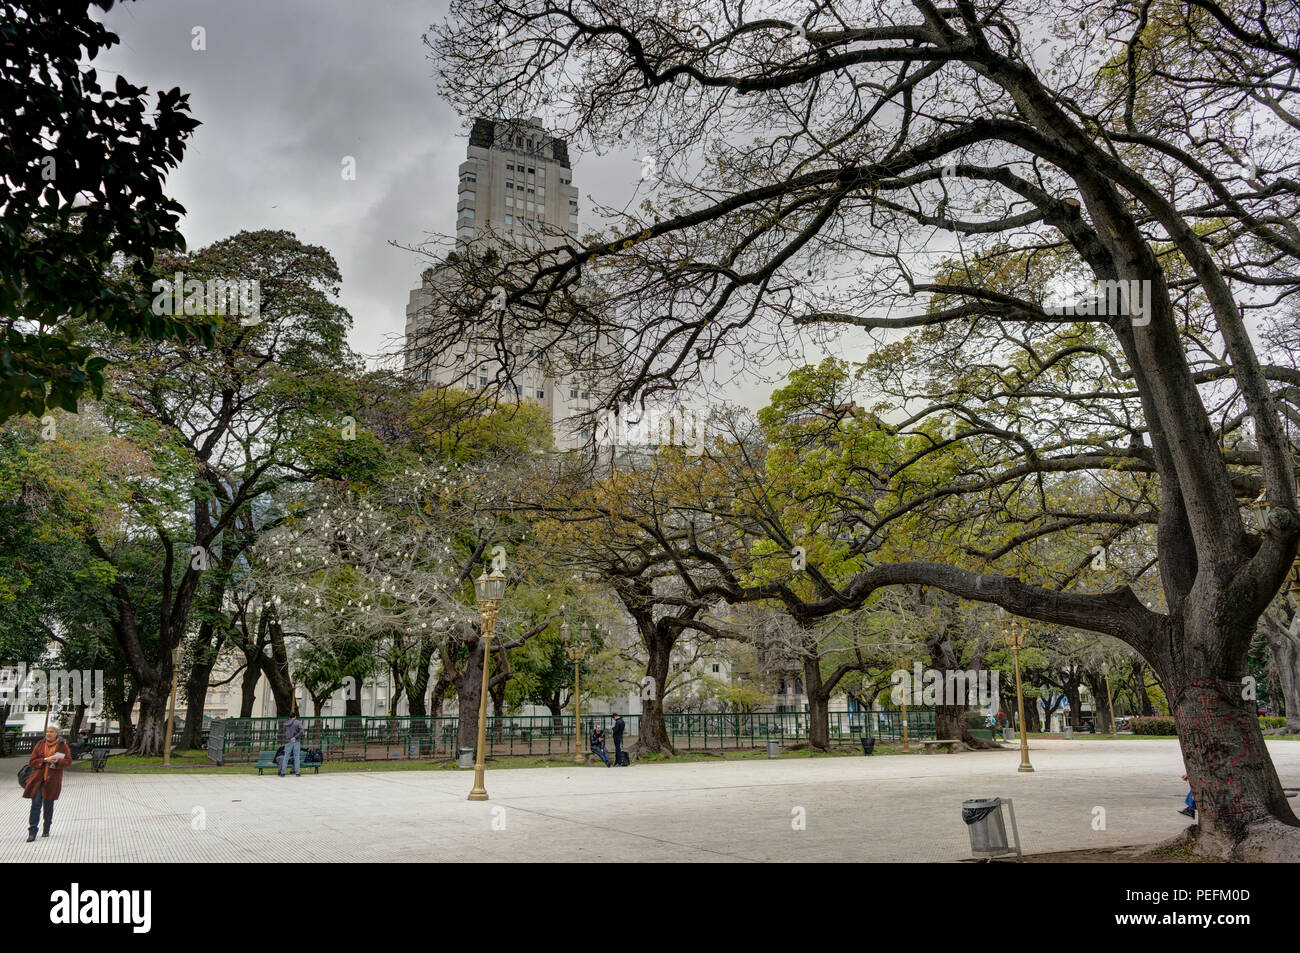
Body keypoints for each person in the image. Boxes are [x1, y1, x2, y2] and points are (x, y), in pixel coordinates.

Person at [23, 726, 71, 842]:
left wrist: (57, 761)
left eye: (51, 732)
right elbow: (32, 761)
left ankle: (46, 828)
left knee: (48, 806)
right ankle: (32, 831)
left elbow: (68, 760)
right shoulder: (40, 744)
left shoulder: (62, 745)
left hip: (52, 780)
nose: (48, 734)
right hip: (38, 780)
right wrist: (44, 760)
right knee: (36, 804)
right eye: (47, 732)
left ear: (56, 734)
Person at [279, 711, 305, 777]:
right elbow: (302, 731)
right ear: (295, 716)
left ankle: (283, 772)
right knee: (296, 757)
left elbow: (284, 732)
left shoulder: (286, 723)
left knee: (286, 757)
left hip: (288, 741)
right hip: (296, 741)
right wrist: (295, 737)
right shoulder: (298, 722)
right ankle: (297, 772)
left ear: (289, 717)